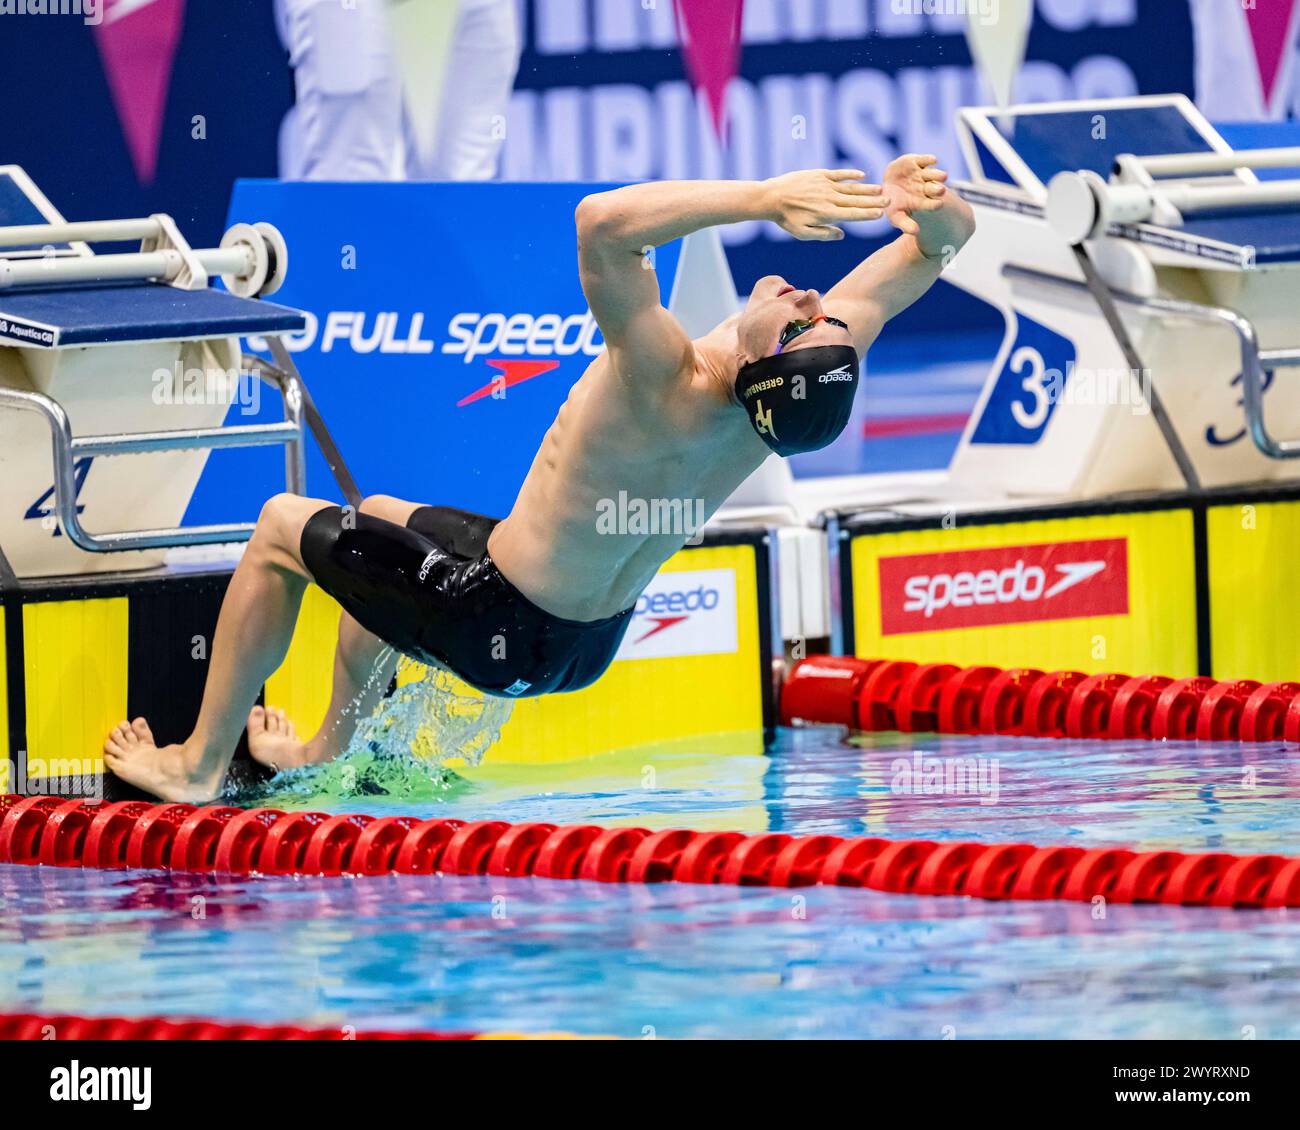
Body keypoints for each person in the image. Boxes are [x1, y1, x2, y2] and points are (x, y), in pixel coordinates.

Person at [104, 157, 975, 802]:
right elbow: (947, 245)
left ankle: (196, 765)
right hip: (586, 644)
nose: (811, 300)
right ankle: (330, 750)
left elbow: (601, 222)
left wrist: (759, 199)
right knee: (374, 516)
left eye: (801, 321)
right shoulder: (796, 386)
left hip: (494, 611)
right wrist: (921, 203)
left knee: (277, 526)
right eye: (821, 315)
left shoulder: (662, 375)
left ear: (759, 364)